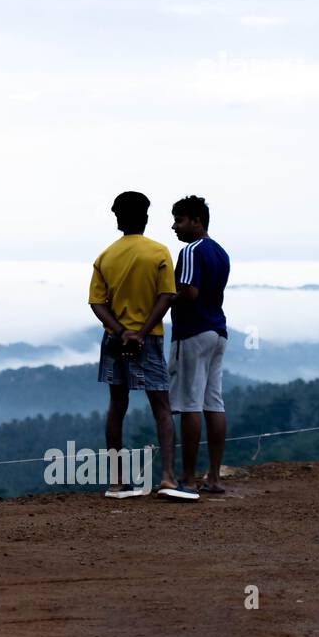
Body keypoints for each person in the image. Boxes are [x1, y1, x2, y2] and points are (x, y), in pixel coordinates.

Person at [88, 191, 189, 499]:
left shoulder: (105, 256)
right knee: (161, 406)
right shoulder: (158, 252)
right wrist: (141, 332)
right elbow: (168, 296)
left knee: (117, 406)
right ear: (145, 217)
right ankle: (168, 479)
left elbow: (96, 302)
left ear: (118, 219)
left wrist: (121, 332)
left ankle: (117, 482)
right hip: (150, 338)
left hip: (114, 340)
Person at [169, 195, 231, 495]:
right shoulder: (221, 252)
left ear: (197, 221)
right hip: (218, 331)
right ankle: (215, 478)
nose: (174, 227)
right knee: (213, 402)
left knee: (189, 403)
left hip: (192, 332)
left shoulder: (191, 250)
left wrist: (167, 299)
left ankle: (189, 478)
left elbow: (190, 293)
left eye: (179, 220)